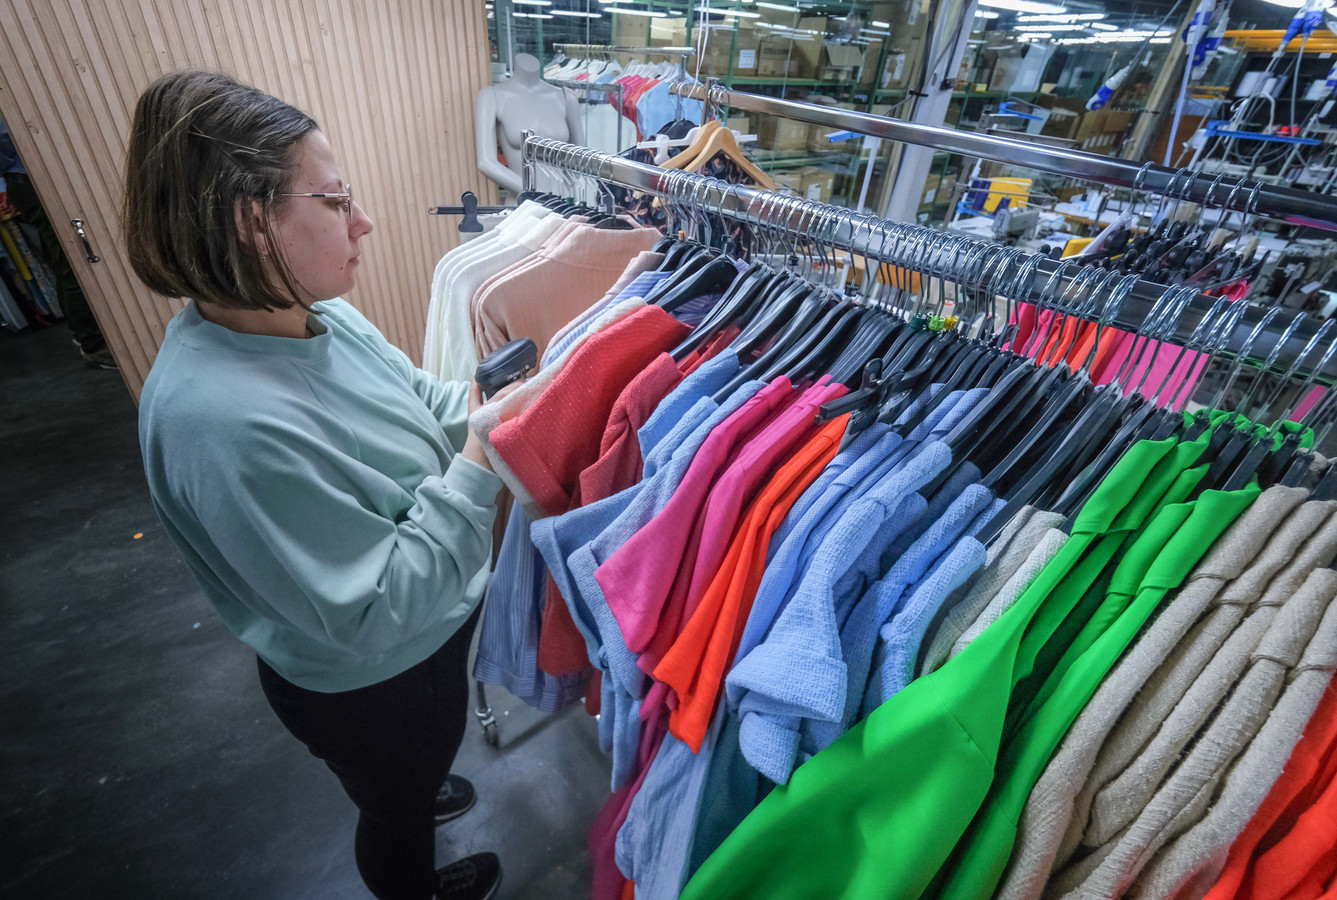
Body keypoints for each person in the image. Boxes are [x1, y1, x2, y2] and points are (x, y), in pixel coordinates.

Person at [126, 69, 512, 900]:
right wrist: (481, 460)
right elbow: (373, 612)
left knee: (417, 765)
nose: (362, 220)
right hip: (371, 680)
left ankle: (415, 782)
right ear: (250, 222)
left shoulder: (314, 314)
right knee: (393, 808)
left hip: (425, 640)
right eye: (335, 202)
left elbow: (419, 400)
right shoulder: (221, 419)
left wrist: (504, 402)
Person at [0, 114, 116, 368]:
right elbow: (6, 136)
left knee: (67, 264)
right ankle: (92, 344)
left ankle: (86, 339)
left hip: (25, 180)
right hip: (31, 180)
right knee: (74, 264)